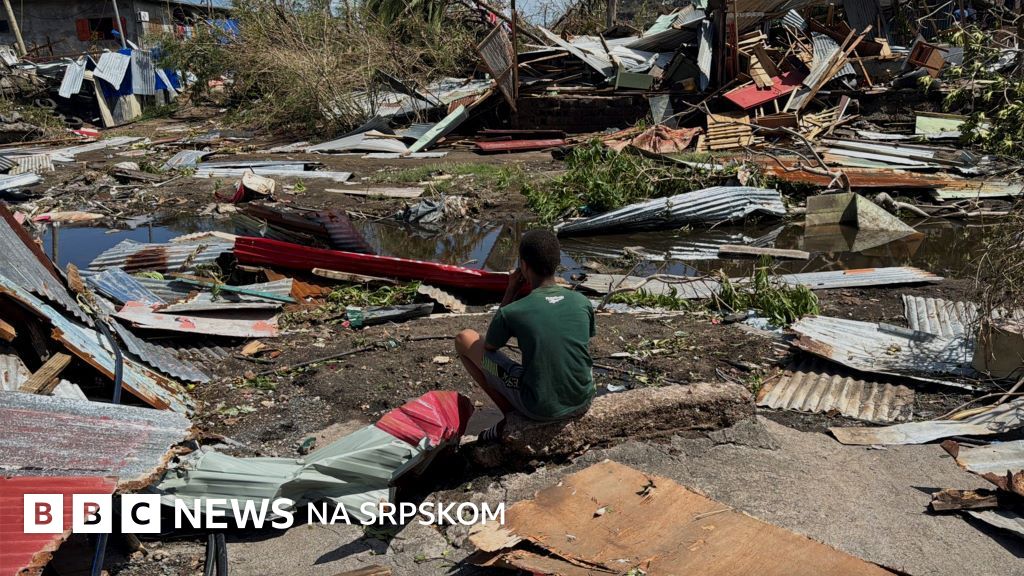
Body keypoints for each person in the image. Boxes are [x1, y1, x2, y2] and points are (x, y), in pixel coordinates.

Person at [454, 229, 596, 441]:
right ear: (557, 263)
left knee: (464, 339)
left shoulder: (514, 311)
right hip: (583, 398)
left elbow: (490, 345)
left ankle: (510, 417)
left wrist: (510, 291)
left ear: (524, 265)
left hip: (540, 407)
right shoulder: (582, 302)